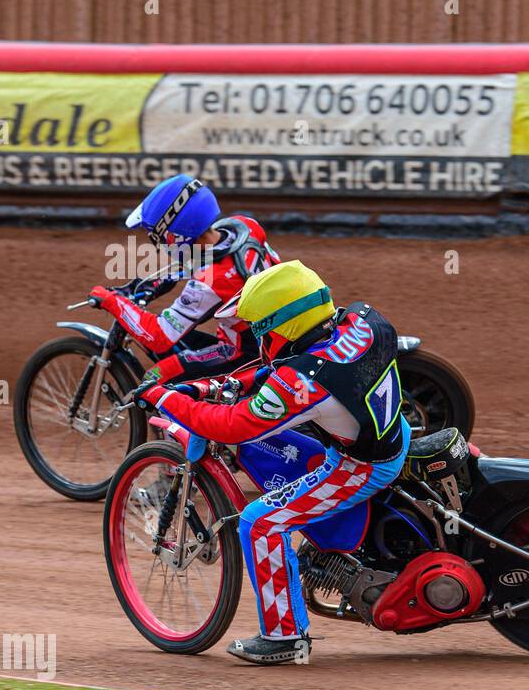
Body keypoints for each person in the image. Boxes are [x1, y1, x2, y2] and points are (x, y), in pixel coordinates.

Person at [135, 260, 411, 665]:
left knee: (260, 521)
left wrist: (165, 397)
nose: (258, 339)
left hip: (363, 466)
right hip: (393, 430)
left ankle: (285, 637)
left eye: (262, 329)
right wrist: (225, 383)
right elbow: (285, 369)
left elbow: (230, 426)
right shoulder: (363, 319)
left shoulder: (305, 381)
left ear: (285, 327)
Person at [90, 174, 280, 386]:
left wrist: (111, 300)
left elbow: (159, 337)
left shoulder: (208, 285)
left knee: (155, 378)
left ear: (174, 234)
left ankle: (183, 417)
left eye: (158, 237)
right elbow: (216, 262)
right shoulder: (246, 226)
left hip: (247, 353)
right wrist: (162, 279)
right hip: (273, 334)